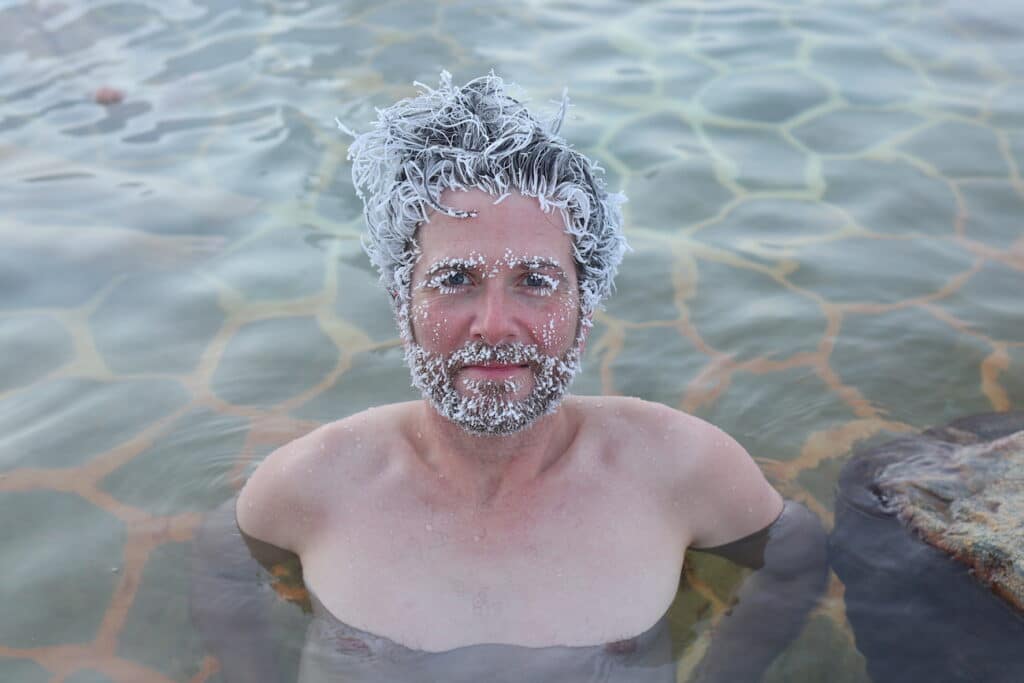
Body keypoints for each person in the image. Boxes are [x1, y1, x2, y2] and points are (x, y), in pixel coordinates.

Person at [191, 72, 827, 682]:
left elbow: (793, 553)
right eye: (457, 279)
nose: (494, 324)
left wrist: (727, 672)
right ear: (401, 303)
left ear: (584, 309)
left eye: (535, 282)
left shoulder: (681, 469)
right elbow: (223, 561)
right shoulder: (310, 484)